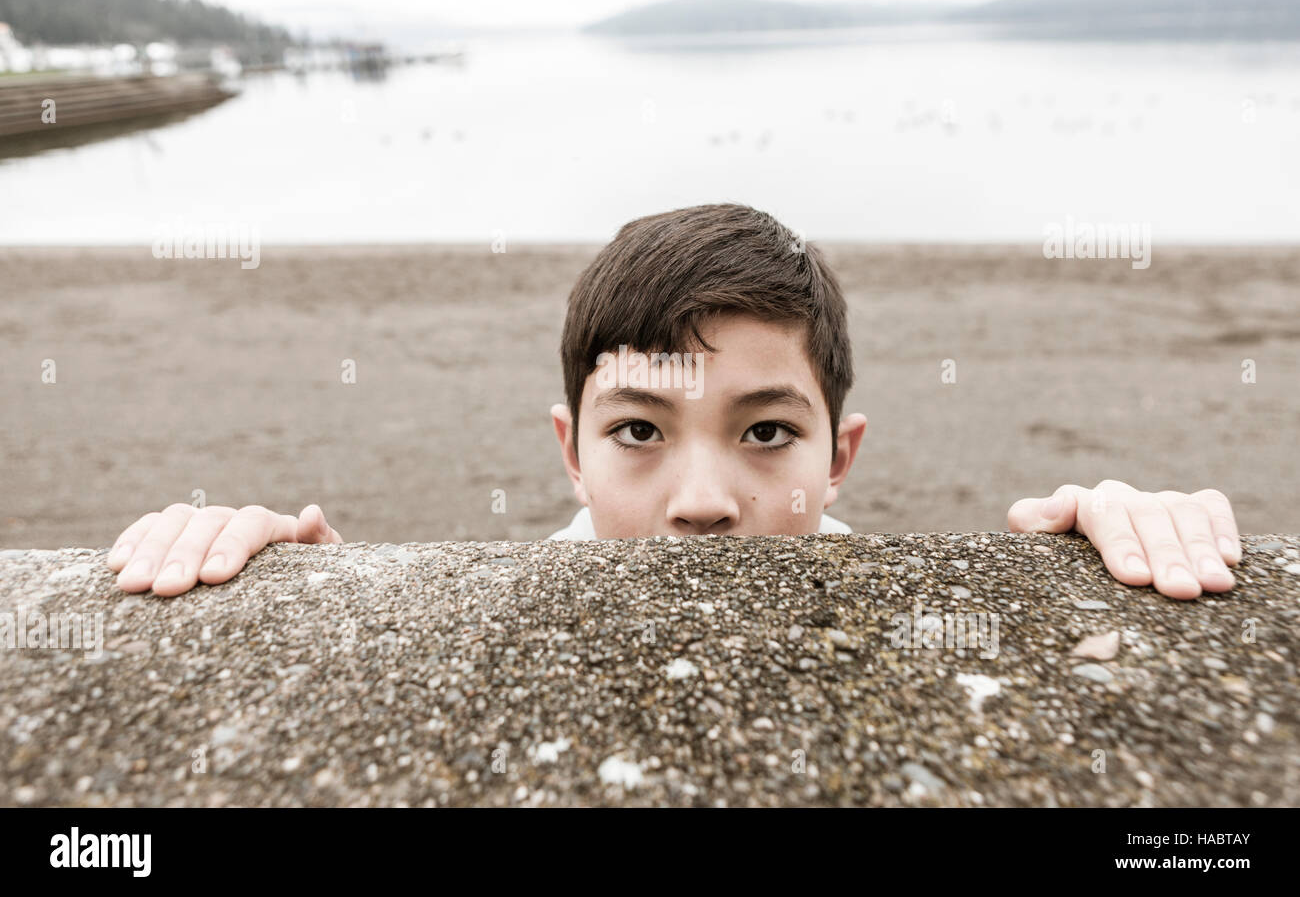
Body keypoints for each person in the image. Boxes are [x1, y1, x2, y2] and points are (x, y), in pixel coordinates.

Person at [107, 204, 1241, 600]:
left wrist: (1114, 529)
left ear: (838, 455)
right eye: (639, 430)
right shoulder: (516, 596)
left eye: (765, 431)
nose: (702, 501)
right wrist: (259, 554)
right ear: (570, 449)